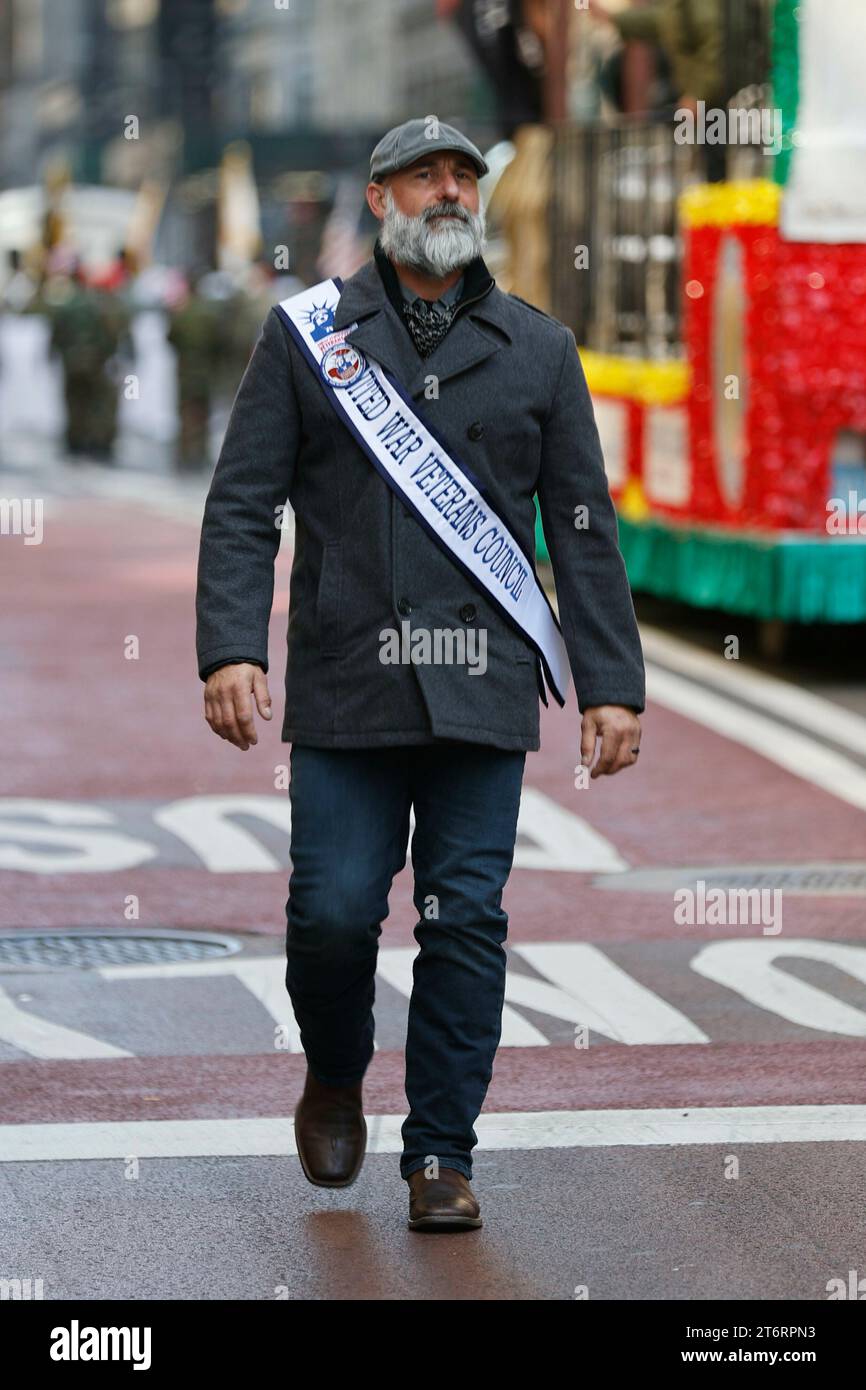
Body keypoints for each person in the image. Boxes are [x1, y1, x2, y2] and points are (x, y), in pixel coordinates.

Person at [195, 118, 645, 1231]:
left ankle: (441, 1150)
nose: (448, 191)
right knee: (335, 915)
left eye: (462, 176)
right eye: (424, 175)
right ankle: (336, 1071)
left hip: (482, 689)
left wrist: (610, 681)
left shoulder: (536, 348)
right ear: (380, 194)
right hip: (349, 683)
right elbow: (243, 502)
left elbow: (580, 525)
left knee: (465, 920)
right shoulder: (307, 339)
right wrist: (231, 647)